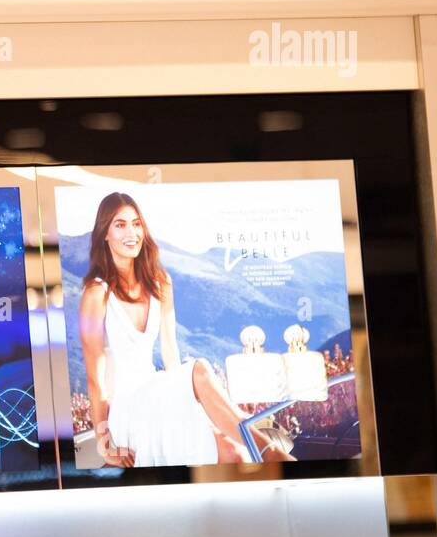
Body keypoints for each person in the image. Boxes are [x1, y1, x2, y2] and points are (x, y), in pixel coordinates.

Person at [77, 192, 294, 468]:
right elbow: (95, 378)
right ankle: (270, 451)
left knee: (232, 452)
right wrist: (104, 441)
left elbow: (170, 354)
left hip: (157, 393)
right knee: (200, 368)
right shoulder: (96, 293)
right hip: (125, 410)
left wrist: (188, 399)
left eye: (136, 224)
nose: (131, 232)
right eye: (120, 225)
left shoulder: (160, 282)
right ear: (104, 233)